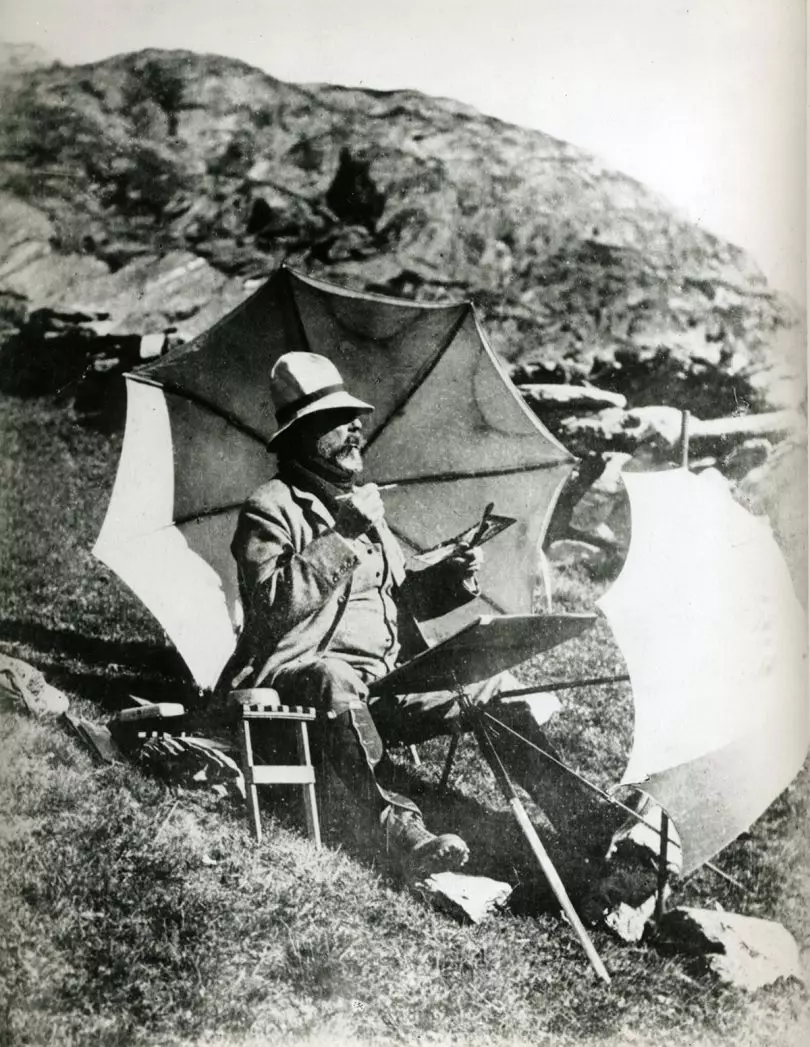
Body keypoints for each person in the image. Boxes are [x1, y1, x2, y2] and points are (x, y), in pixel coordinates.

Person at [215, 352, 607, 881]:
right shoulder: (271, 507)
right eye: (340, 421)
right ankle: (396, 827)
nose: (357, 428)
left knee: (488, 684)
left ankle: (583, 818)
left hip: (386, 683)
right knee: (334, 677)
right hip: (303, 683)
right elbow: (269, 611)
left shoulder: (359, 506)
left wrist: (452, 574)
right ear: (305, 434)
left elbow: (395, 596)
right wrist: (345, 534)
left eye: (356, 418)